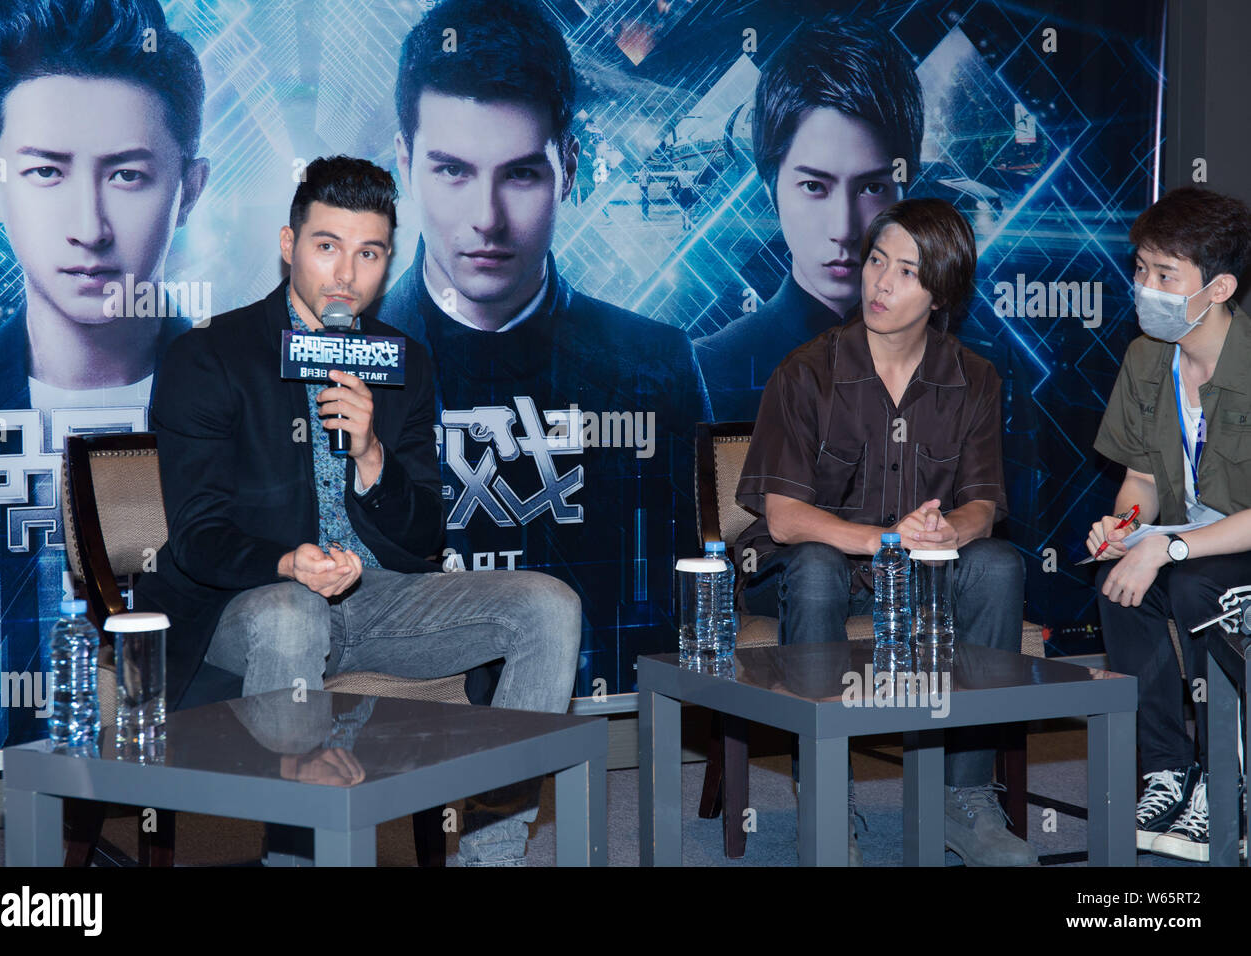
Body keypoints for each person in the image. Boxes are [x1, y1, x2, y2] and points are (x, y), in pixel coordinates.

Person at [135, 156, 582, 866]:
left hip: (379, 601)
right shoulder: (211, 356)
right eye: (327, 246)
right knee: (293, 612)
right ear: (289, 246)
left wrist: (372, 453)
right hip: (246, 603)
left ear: (387, 260)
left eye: (369, 252)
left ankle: (491, 857)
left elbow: (421, 543)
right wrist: (288, 562)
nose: (346, 274)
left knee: (548, 604)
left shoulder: (402, 361)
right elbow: (197, 537)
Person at [382, 0, 710, 702]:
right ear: (404, 165)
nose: (486, 218)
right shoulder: (341, 359)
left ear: (568, 167)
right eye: (452, 172)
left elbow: (688, 585)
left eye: (520, 174)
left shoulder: (655, 366)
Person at [736, 198, 1034, 867]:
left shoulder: (975, 379)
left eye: (906, 271)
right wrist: (890, 540)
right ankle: (825, 795)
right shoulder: (805, 372)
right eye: (876, 261)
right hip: (814, 583)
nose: (881, 283)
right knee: (813, 564)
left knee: (996, 564)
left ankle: (963, 798)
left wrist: (943, 530)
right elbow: (783, 517)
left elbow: (983, 505)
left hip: (920, 586)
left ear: (942, 294)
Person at [0, 0, 208, 752]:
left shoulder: (254, 399)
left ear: (189, 188)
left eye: (127, 175)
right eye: (46, 172)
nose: (89, 227)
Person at [1089, 186, 1251, 863]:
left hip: (1234, 549)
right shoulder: (1147, 357)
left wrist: (1171, 547)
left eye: (1164, 275)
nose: (1144, 288)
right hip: (1189, 542)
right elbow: (1145, 480)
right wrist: (1127, 526)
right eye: (1141, 270)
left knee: (1193, 589)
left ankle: (1228, 787)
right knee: (1116, 578)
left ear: (1218, 287)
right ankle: (1167, 769)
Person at [694, 17, 923, 423]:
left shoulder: (972, 370)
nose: (844, 229)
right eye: (815, 187)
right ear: (771, 190)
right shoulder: (708, 376)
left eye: (871, 188)